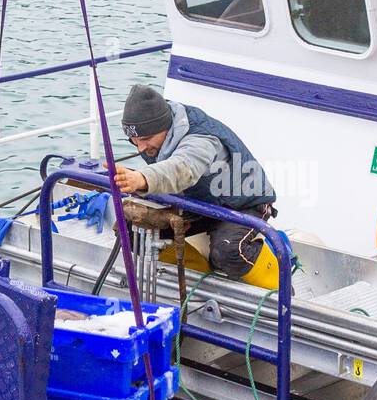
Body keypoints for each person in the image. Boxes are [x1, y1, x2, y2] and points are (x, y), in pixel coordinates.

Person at [113, 84, 279, 286]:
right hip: (200, 201)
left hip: (243, 203)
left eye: (146, 139)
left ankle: (280, 288)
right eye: (134, 141)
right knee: (131, 230)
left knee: (228, 251)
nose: (141, 147)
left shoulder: (201, 138)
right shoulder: (159, 135)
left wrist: (143, 178)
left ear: (163, 127)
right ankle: (197, 283)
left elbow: (183, 168)